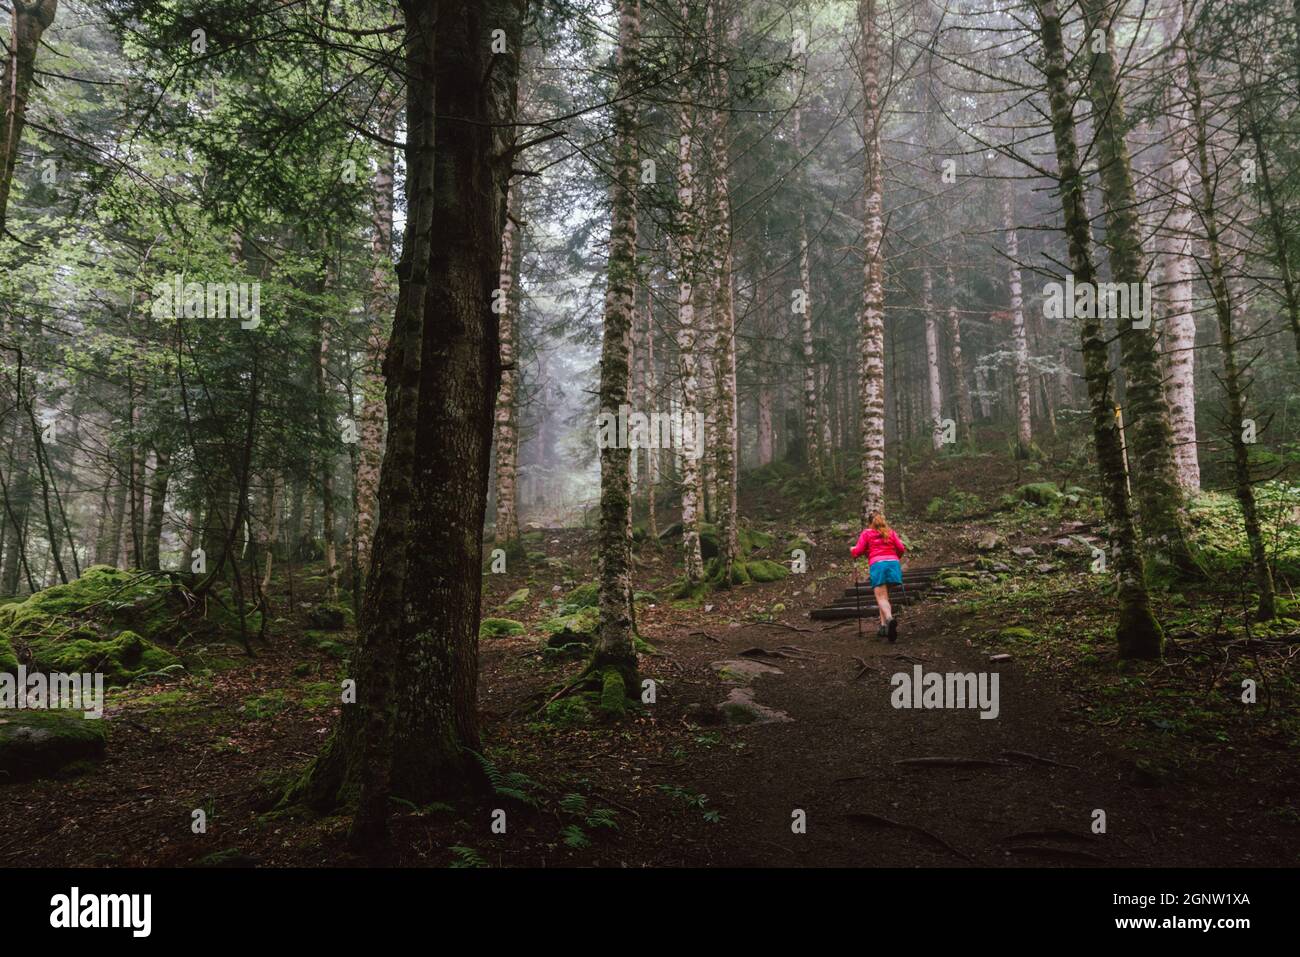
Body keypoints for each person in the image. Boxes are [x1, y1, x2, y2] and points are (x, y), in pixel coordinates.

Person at [849, 510, 906, 640]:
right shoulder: (890, 532)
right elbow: (901, 548)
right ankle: (883, 626)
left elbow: (858, 551)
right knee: (884, 598)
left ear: (869, 523)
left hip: (878, 565)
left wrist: (852, 550)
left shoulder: (867, 533)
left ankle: (890, 619)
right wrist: (895, 558)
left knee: (881, 598)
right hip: (893, 565)